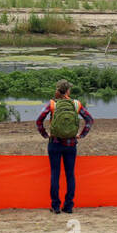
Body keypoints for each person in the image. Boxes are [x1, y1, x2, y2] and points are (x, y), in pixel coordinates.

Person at [36, 79, 93, 214]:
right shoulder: (76, 104)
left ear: (58, 90)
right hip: (71, 144)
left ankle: (55, 206)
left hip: (54, 143)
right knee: (70, 175)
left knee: (55, 174)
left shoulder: (52, 104)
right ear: (68, 91)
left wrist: (45, 134)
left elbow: (39, 120)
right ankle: (68, 206)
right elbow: (89, 120)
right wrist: (81, 134)